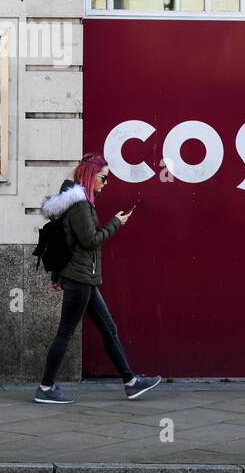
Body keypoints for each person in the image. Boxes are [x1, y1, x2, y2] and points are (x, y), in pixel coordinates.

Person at [35, 153, 160, 404]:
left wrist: (57, 274)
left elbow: (65, 241)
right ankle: (46, 387)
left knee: (108, 329)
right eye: (103, 177)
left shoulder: (74, 201)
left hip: (82, 277)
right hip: (79, 279)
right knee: (65, 333)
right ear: (91, 176)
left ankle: (131, 382)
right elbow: (90, 241)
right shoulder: (80, 204)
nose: (106, 183)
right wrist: (116, 222)